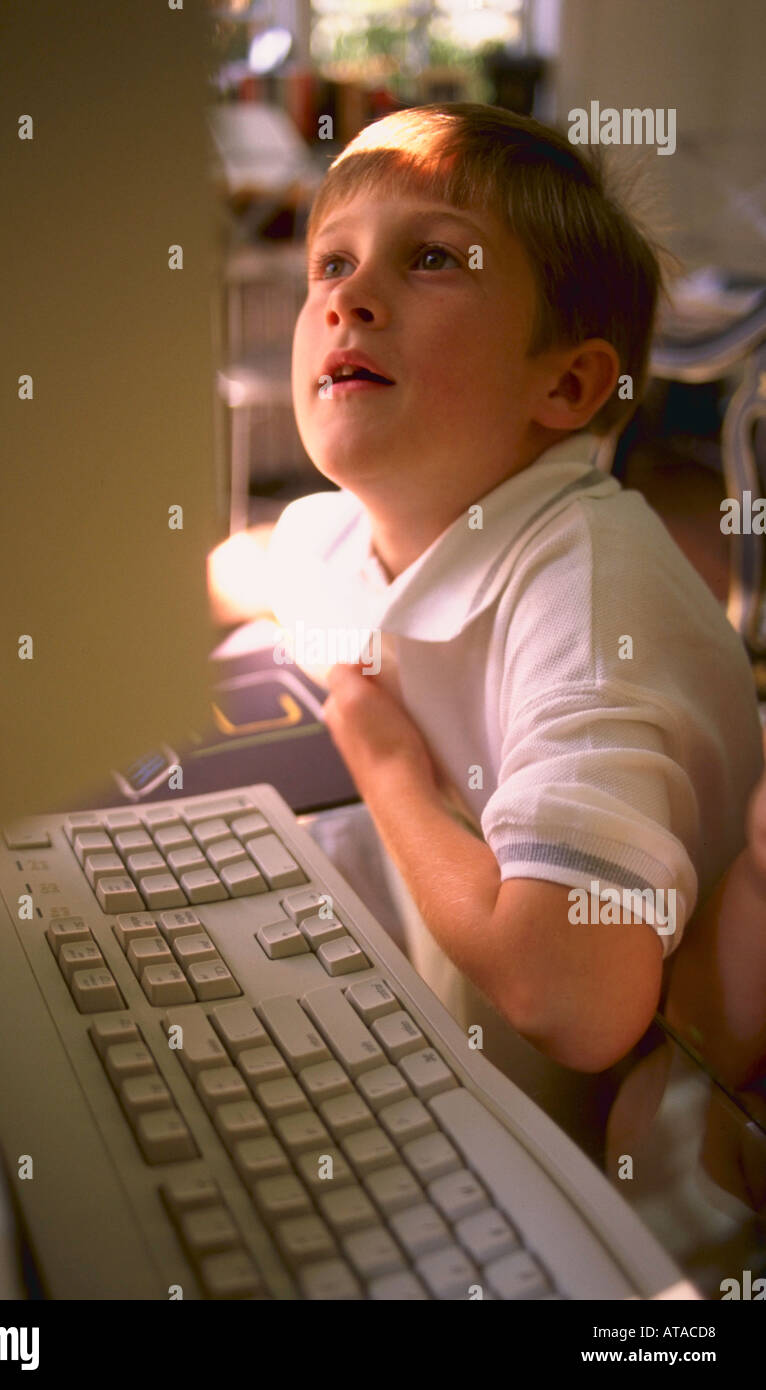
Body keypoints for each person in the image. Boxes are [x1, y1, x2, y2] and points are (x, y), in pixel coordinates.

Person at [214, 103, 764, 1075]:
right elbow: (259, 566)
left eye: (432, 258)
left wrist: (382, 758)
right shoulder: (345, 531)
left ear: (563, 386)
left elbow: (572, 995)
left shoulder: (587, 600)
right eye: (331, 263)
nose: (349, 298)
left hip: (618, 1148)